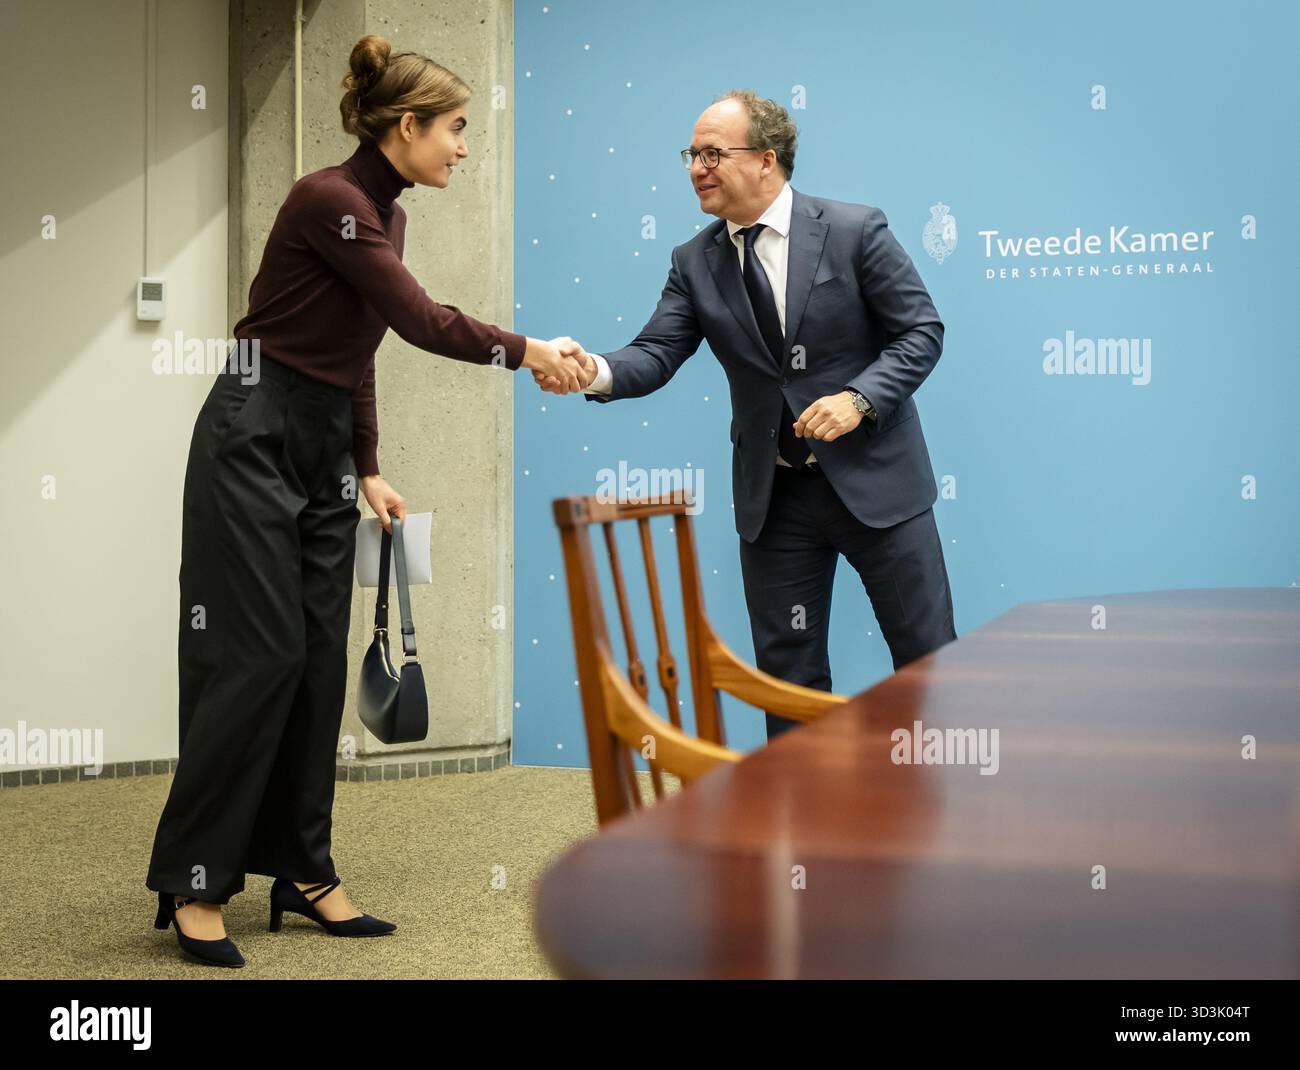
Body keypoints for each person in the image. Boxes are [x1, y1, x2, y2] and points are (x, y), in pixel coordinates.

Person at [146, 33, 586, 968]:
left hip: (319, 443)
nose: (465, 148)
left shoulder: (387, 214)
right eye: (456, 130)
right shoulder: (328, 201)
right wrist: (526, 349)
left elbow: (364, 344)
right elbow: (423, 321)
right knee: (257, 656)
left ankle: (303, 871)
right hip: (251, 431)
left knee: (313, 659)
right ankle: (194, 879)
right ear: (407, 124)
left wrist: (369, 462)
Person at [538, 90, 956, 741]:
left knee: (926, 660)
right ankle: (796, 831)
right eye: (692, 155)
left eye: (712, 153)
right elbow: (654, 353)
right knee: (786, 680)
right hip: (777, 500)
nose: (696, 167)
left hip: (879, 487)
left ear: (766, 160)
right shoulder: (693, 262)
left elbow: (920, 333)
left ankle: (935, 820)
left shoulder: (854, 230)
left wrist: (859, 400)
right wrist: (590, 369)